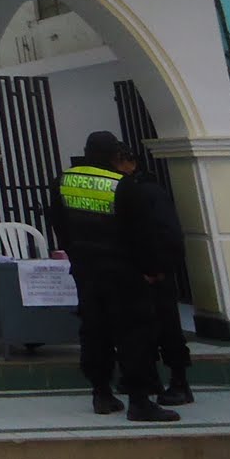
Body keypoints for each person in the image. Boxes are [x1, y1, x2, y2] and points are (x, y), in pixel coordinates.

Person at [49, 130, 178, 422]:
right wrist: (152, 270)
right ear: (114, 155)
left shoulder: (63, 182)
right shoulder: (124, 185)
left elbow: (59, 224)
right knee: (134, 334)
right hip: (123, 273)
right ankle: (139, 400)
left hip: (86, 271)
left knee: (94, 331)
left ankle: (101, 393)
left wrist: (76, 254)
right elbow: (141, 234)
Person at [112, 144, 192, 406]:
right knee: (141, 330)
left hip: (156, 273)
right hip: (137, 271)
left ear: (129, 163)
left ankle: (179, 382)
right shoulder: (128, 190)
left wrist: (158, 268)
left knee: (167, 327)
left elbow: (167, 233)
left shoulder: (147, 191)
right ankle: (149, 379)